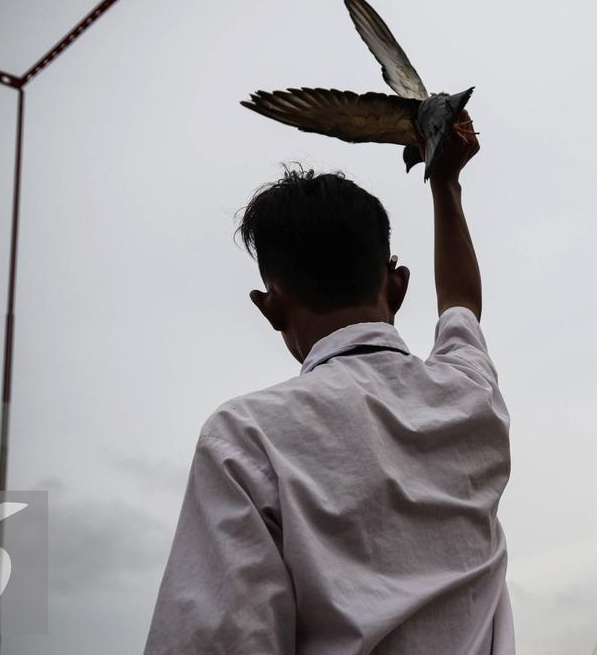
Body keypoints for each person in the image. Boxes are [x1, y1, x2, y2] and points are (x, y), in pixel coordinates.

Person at [144, 115, 513, 654]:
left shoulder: (247, 436)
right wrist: (445, 182)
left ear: (270, 306)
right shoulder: (467, 394)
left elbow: (219, 640)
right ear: (397, 284)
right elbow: (461, 300)